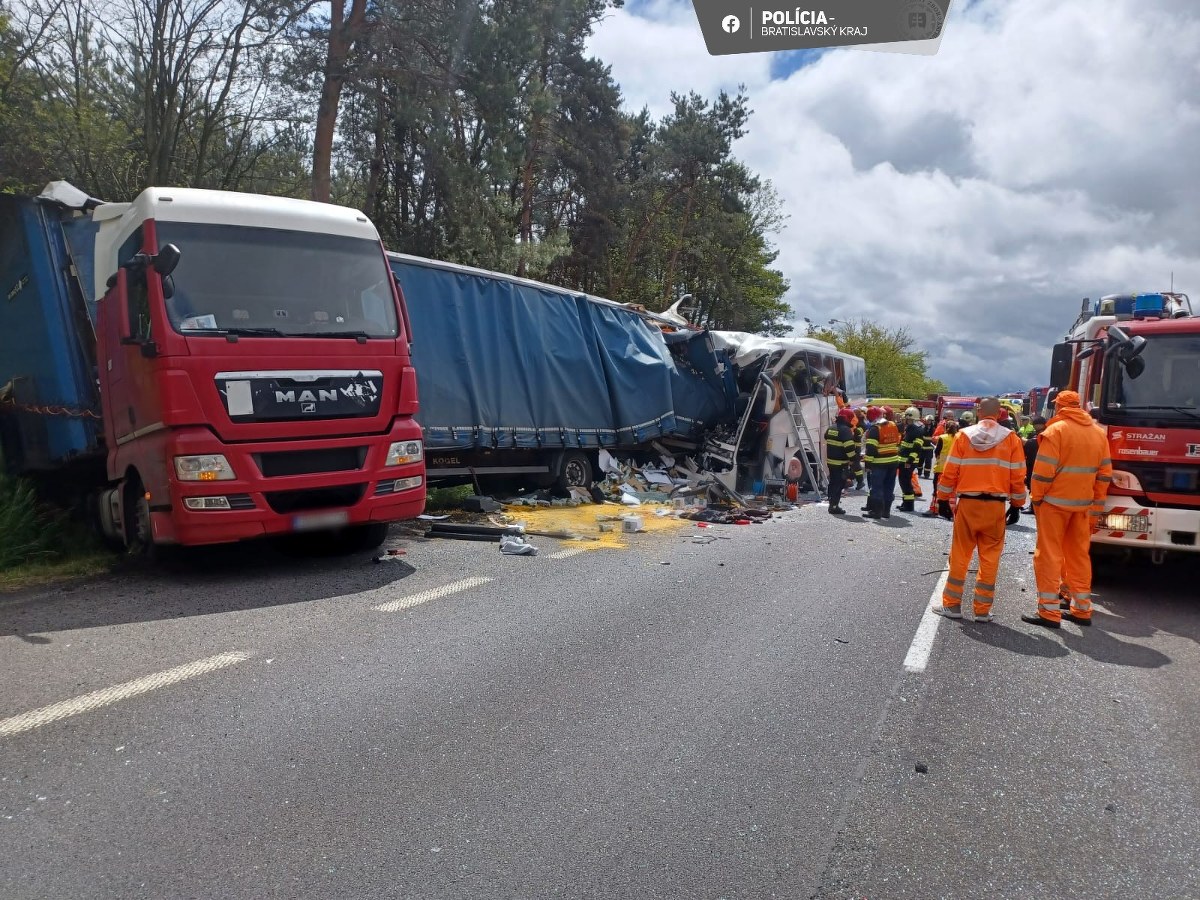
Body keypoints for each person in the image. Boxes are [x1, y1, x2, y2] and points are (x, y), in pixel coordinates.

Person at [1021, 391, 1113, 630]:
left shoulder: (1055, 431)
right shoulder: (1098, 434)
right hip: (1083, 505)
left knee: (1049, 555)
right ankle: (1082, 610)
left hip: (1054, 504)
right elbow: (1104, 475)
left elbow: (1042, 473)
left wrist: (1037, 499)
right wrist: (1096, 507)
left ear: (1059, 406)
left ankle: (1049, 612)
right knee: (1079, 556)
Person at [931, 397, 1027, 622]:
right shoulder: (1011, 439)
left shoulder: (964, 436)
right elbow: (1018, 476)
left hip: (968, 504)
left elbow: (950, 470)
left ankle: (952, 606)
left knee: (960, 555)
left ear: (979, 411)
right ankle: (982, 611)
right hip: (995, 506)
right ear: (1000, 413)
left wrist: (943, 499)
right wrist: (1017, 505)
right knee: (990, 558)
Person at [864, 405, 902, 519]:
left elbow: (871, 449)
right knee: (889, 487)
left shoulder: (875, 429)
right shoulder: (893, 425)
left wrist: (868, 464)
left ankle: (877, 512)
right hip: (893, 461)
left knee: (877, 487)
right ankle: (886, 512)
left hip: (880, 463)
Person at [824, 406, 858, 515]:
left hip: (830, 461)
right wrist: (853, 460)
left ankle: (831, 503)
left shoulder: (831, 428)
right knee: (839, 484)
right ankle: (834, 506)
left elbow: (826, 437)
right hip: (841, 463)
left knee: (832, 482)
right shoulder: (846, 430)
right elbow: (849, 448)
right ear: (848, 418)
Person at [923, 419, 958, 517]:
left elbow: (937, 452)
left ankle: (934, 509)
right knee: (952, 492)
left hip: (941, 469)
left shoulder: (942, 438)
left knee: (937, 490)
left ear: (946, 428)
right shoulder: (959, 438)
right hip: (955, 470)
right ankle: (952, 511)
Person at [896, 406, 926, 512]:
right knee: (903, 482)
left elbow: (917, 448)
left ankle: (909, 505)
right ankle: (905, 503)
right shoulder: (910, 428)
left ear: (910, 418)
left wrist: (910, 460)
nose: (904, 420)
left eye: (906, 418)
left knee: (906, 483)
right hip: (904, 460)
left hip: (908, 462)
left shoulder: (916, 430)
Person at [1020, 415, 1047, 514]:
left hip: (1036, 463)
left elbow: (1032, 443)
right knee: (1033, 485)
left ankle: (1033, 507)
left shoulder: (1043, 435)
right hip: (1037, 462)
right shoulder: (1042, 433)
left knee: (1034, 485)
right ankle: (1033, 506)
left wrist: (1024, 441)